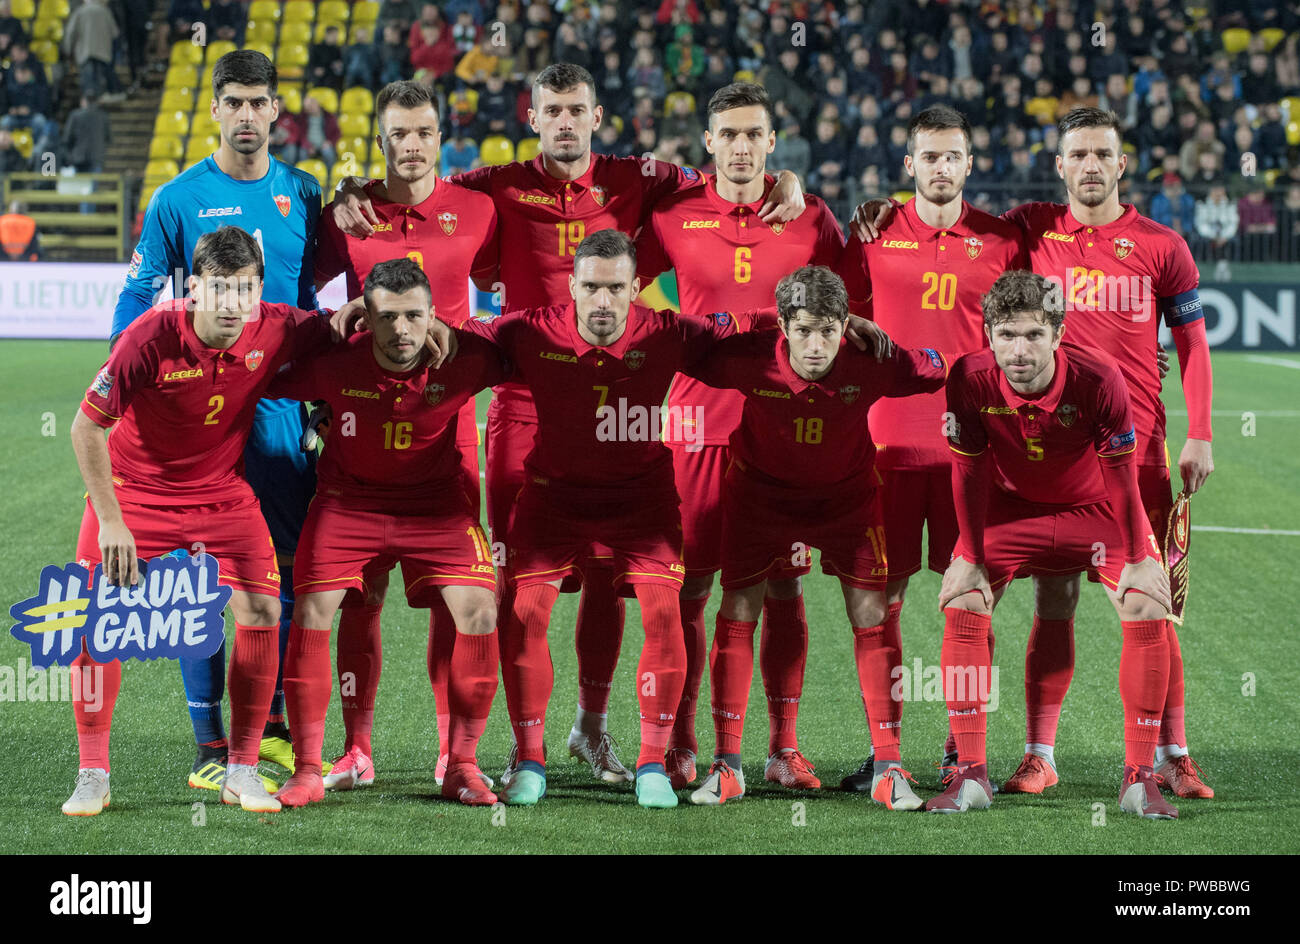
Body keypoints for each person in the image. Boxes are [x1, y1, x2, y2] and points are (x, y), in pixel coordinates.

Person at [329, 63, 806, 786]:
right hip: (523, 397)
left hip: (619, 397)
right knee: (505, 581)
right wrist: (349, 194)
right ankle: (487, 749)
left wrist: (785, 184)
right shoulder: (494, 185)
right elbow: (419, 186)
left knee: (613, 572)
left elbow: (726, 176)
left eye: (576, 110)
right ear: (531, 116)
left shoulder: (640, 179)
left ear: (595, 115)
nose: (564, 123)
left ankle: (590, 727)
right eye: (551, 111)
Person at [853, 107, 1215, 800]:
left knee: (1153, 599)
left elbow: (1193, 343)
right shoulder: (1030, 232)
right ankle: (1034, 754)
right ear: (1058, 164)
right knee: (1055, 596)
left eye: (1101, 153)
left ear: (1121, 162)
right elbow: (944, 217)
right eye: (1076, 153)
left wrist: (1200, 431)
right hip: (1040, 447)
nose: (1089, 165)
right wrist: (882, 210)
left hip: (1138, 447)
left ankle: (1173, 752)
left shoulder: (1162, 244)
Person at [456, 229, 772, 809]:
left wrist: (810, 317)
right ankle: (530, 758)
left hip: (641, 503)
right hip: (553, 500)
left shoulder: (667, 331)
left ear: (636, 290)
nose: (603, 303)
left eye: (617, 289)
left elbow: (742, 323)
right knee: (524, 610)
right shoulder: (532, 329)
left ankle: (652, 763)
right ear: (572, 287)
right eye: (592, 289)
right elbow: (467, 336)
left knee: (662, 608)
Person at [64, 226, 337, 816]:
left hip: (222, 497)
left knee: (263, 608)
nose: (234, 305)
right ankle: (92, 771)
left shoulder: (276, 325)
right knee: (93, 617)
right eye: (219, 289)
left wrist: (367, 313)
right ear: (193, 289)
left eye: (246, 289)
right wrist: (111, 522)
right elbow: (86, 428)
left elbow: (338, 328)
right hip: (136, 495)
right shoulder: (148, 337)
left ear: (259, 290)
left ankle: (241, 769)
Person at [111, 50, 326, 794]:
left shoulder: (304, 191)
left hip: (274, 411)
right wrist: (128, 381)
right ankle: (209, 740)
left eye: (257, 102)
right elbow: (137, 300)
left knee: (283, 570)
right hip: (200, 412)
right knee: (201, 579)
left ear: (275, 111)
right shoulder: (176, 199)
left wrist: (324, 402)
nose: (244, 114)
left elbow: (318, 303)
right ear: (213, 109)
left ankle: (265, 727)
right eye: (231, 101)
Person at [634, 83, 846, 791]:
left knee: (783, 590)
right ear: (709, 143)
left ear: (772, 142)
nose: (742, 146)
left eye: (753, 134)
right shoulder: (670, 215)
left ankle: (782, 748)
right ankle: (684, 741)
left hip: (784, 434)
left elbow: (859, 304)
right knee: (689, 590)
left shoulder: (810, 217)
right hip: (696, 427)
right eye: (728, 134)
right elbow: (612, 287)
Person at [681, 265, 946, 809]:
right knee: (737, 610)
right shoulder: (748, 357)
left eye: (828, 329)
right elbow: (680, 343)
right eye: (802, 329)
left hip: (847, 503)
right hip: (760, 498)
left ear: (845, 325)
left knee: (872, 615)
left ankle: (889, 768)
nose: (816, 343)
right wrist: (752, 318)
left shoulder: (873, 361)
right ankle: (728, 765)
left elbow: (941, 368)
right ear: (781, 325)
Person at [311, 79, 499, 791]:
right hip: (361, 425)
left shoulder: (478, 209)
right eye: (398, 135)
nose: (411, 146)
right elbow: (302, 296)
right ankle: (356, 750)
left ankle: (456, 755)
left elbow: (527, 285)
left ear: (440, 136)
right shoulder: (350, 215)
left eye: (423, 132)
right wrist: (322, 384)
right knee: (359, 594)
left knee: (456, 597)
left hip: (446, 434)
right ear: (380, 140)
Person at [933, 270, 1176, 819]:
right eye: (1007, 334)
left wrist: (1139, 557)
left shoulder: (1099, 377)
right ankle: (971, 774)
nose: (1019, 350)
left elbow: (1122, 476)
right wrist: (970, 556)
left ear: (1058, 334)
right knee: (963, 601)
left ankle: (1140, 778)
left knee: (1145, 602)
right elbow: (967, 474)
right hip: (1010, 511)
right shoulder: (968, 378)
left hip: (1097, 511)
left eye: (1033, 335)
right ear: (988, 333)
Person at [835, 105, 1027, 791]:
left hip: (971, 456)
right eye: (929, 156)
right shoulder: (871, 235)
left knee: (969, 603)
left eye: (953, 156)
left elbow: (1038, 326)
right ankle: (885, 753)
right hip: (883, 449)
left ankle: (958, 746)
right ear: (907, 164)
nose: (941, 167)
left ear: (970, 165)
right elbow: (839, 323)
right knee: (876, 603)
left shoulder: (1004, 241)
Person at [268, 260, 504, 809]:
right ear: (365, 318)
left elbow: (530, 346)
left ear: (433, 317)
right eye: (388, 317)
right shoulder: (332, 363)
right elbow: (256, 363)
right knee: (311, 612)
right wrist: (323, 321)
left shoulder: (466, 359)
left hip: (437, 508)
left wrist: (463, 330)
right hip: (349, 504)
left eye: (415, 317)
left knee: (480, 611)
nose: (402, 330)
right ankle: (310, 767)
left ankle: (462, 764)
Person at [61, 0, 121, 103]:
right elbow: (115, 33)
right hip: (102, 51)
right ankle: (98, 102)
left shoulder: (80, 11)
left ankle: (88, 102)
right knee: (100, 79)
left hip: (85, 51)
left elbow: (70, 32)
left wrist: (67, 49)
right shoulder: (105, 11)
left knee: (87, 81)